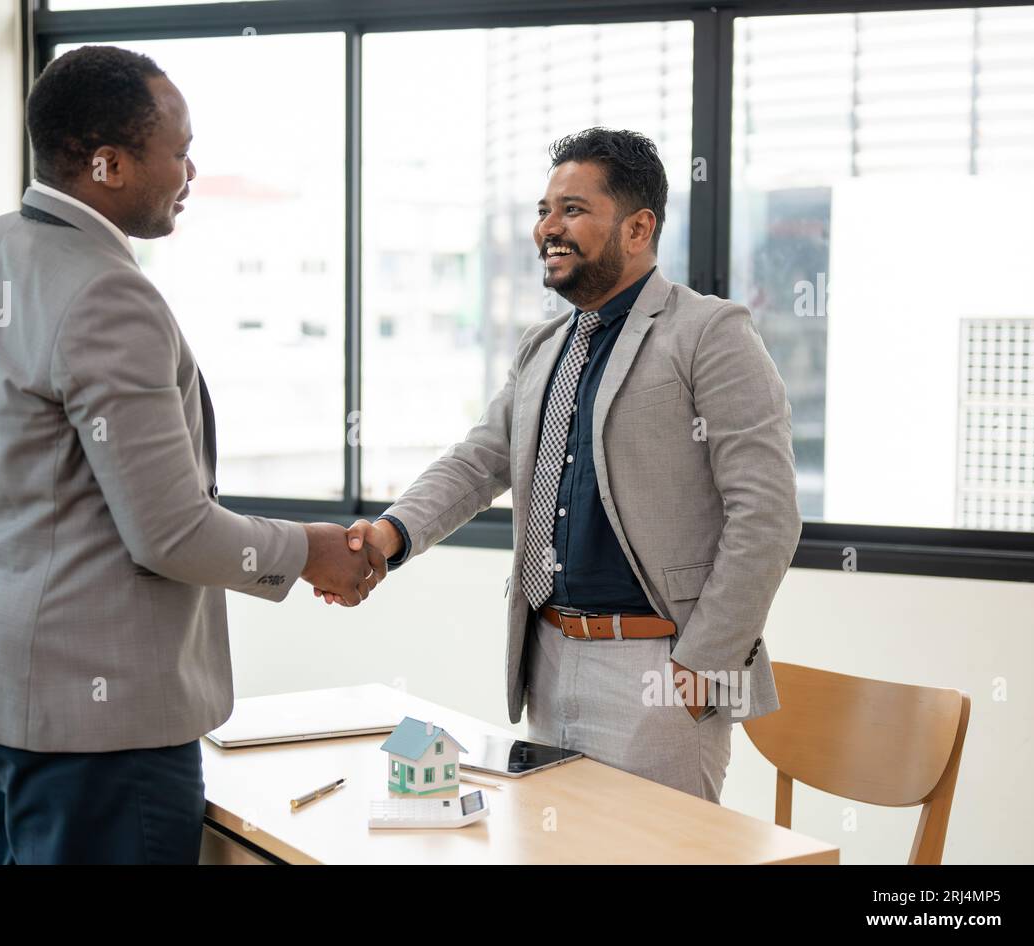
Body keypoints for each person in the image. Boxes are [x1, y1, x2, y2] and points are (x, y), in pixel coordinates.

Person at [0, 45, 384, 863]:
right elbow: (168, 532)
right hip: (93, 728)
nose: (191, 170)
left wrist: (9, 563)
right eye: (179, 149)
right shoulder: (106, 293)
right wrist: (312, 553)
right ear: (110, 164)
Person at [331, 128, 801, 803]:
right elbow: (478, 461)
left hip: (659, 666)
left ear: (638, 228)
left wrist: (702, 665)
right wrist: (388, 534)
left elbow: (767, 512)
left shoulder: (710, 332)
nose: (547, 228)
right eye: (543, 210)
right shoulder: (543, 345)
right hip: (547, 663)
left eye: (572, 210)